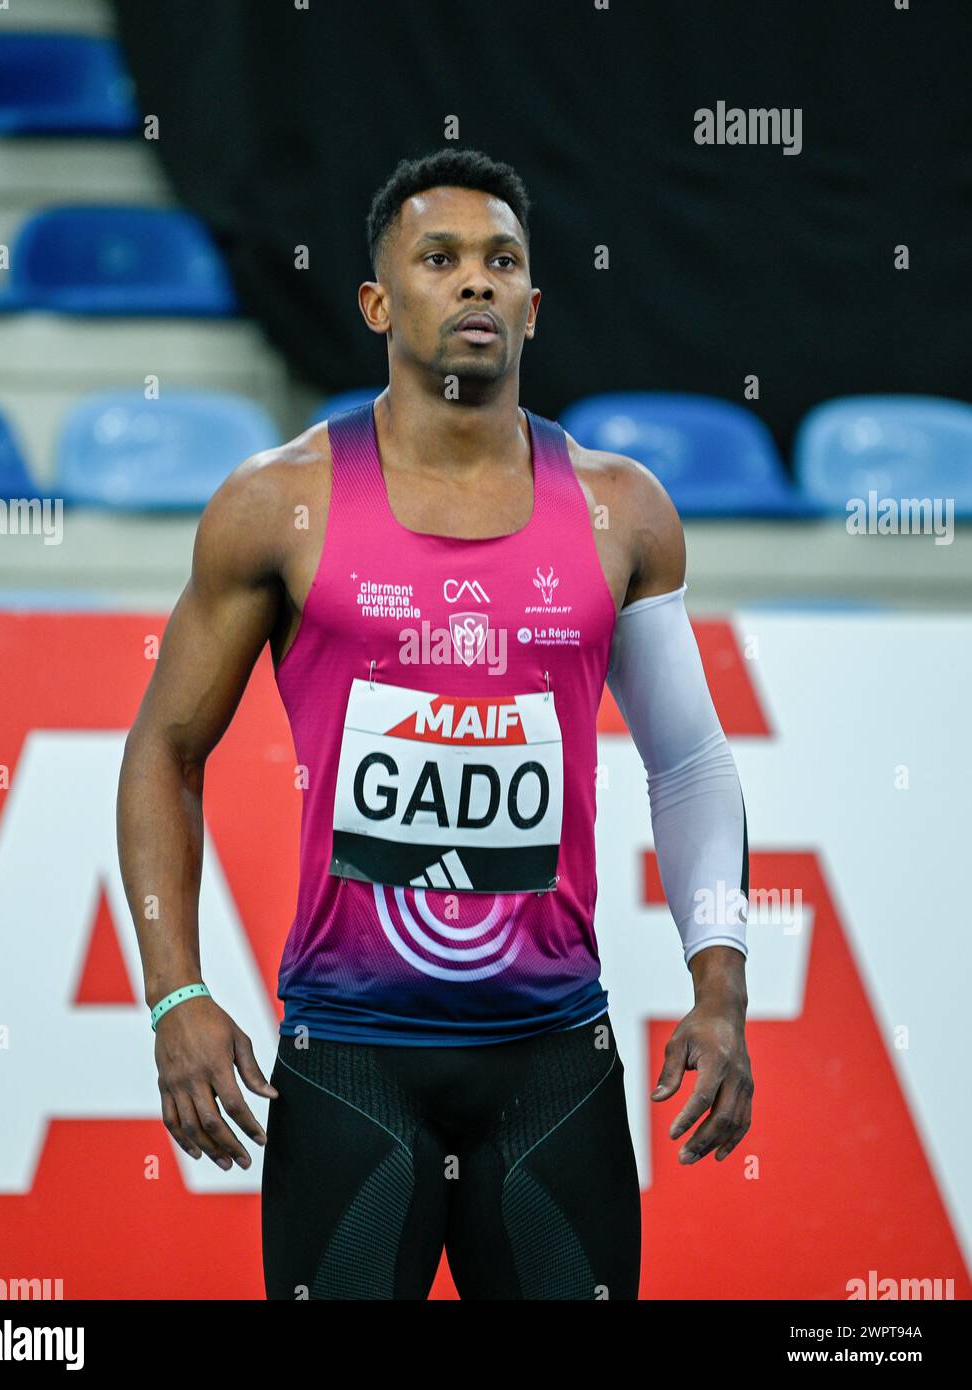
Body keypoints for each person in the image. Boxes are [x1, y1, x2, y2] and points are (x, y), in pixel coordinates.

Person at [117, 148, 753, 1301]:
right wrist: (175, 992)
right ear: (376, 302)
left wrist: (720, 985)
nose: (475, 283)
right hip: (349, 1057)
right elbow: (163, 751)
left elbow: (692, 761)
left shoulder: (622, 511)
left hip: (555, 1057)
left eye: (500, 263)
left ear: (532, 306)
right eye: (440, 259)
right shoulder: (277, 506)